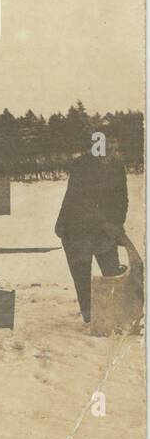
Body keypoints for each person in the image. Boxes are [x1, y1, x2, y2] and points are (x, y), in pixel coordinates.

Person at [55, 134, 129, 324]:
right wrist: (105, 223)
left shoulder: (117, 166)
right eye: (107, 145)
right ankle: (90, 316)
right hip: (76, 227)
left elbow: (122, 199)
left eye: (114, 144)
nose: (112, 149)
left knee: (112, 271)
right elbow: (79, 199)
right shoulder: (81, 165)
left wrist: (118, 224)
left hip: (103, 230)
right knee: (81, 274)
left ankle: (115, 314)